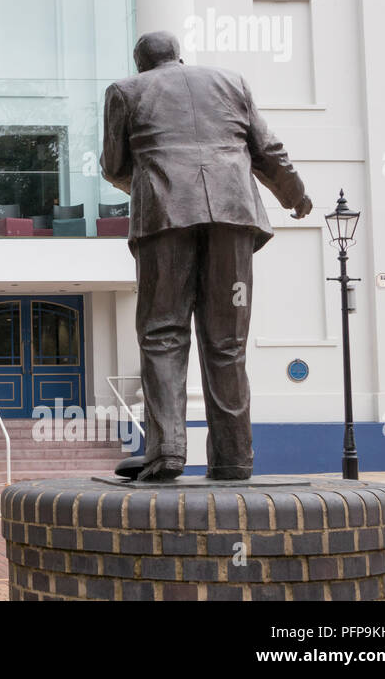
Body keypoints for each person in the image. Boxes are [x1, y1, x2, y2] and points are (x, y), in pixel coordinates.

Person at [100, 31, 313, 481]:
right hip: (233, 215)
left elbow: (115, 165)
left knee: (162, 333)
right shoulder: (231, 82)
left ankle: (167, 453)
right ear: (180, 57)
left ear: (141, 63)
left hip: (164, 216)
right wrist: (294, 195)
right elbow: (267, 150)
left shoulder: (125, 91)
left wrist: (147, 185)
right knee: (228, 343)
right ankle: (234, 457)